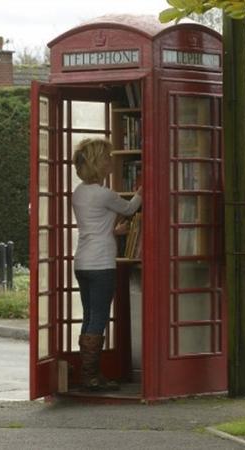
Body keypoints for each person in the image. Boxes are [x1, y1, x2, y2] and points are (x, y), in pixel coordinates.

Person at [72, 138, 142, 391]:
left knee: (90, 316)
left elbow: (95, 226)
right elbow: (130, 208)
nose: (110, 161)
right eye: (106, 157)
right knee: (99, 317)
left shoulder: (79, 192)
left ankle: (90, 374)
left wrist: (114, 231)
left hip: (82, 262)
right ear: (97, 163)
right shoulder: (104, 194)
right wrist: (143, 189)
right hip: (101, 264)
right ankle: (90, 376)